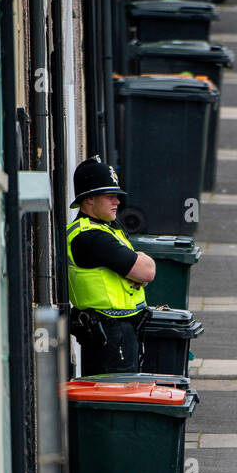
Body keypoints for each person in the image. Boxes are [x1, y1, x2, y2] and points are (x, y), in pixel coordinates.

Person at [66, 157, 156, 376]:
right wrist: (137, 265)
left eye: (117, 196)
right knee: (115, 398)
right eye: (110, 197)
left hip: (121, 333)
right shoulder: (90, 236)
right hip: (109, 336)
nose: (117, 201)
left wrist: (137, 264)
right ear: (88, 200)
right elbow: (147, 271)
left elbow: (142, 268)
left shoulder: (108, 229)